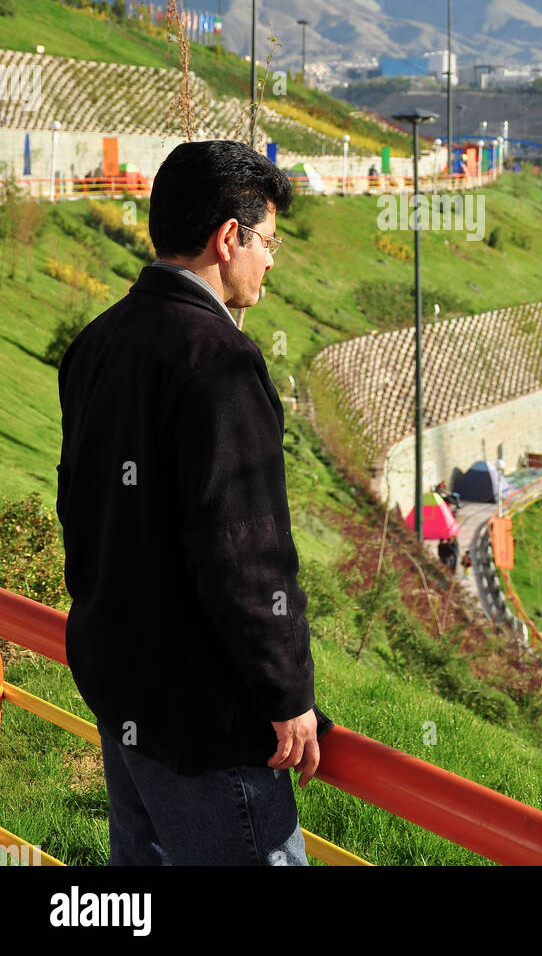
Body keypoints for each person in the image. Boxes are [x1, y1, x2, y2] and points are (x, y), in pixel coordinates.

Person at [55, 140, 333, 867]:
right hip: (209, 729)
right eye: (267, 241)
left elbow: (82, 518)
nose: (271, 260)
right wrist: (287, 695)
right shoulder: (220, 362)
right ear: (227, 238)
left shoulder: (98, 342)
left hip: (125, 700)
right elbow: (247, 553)